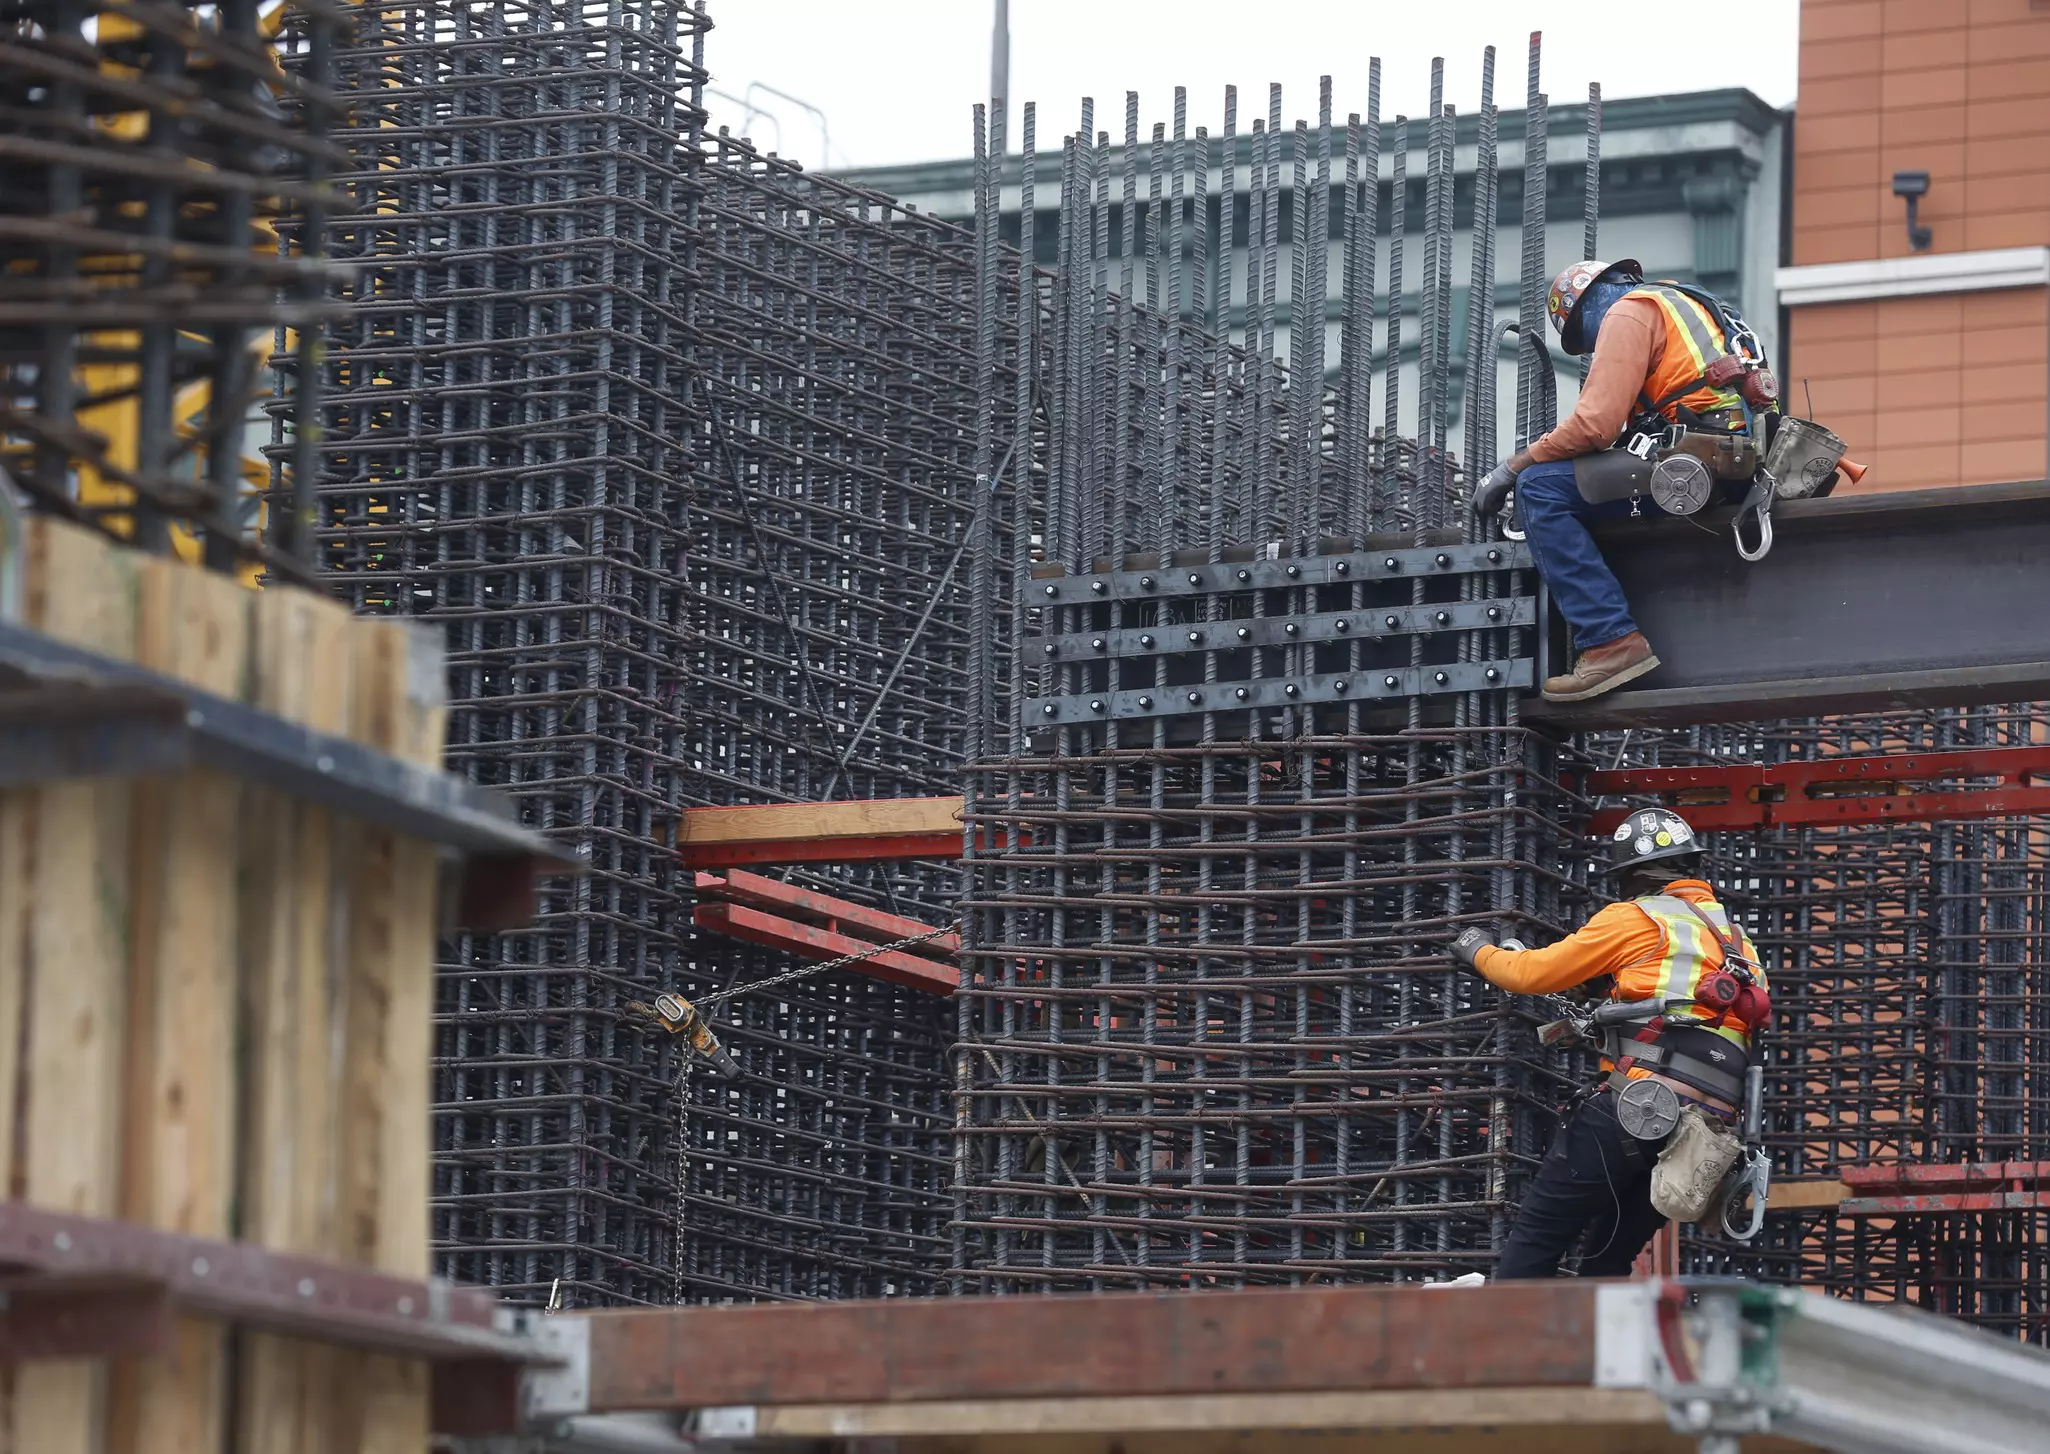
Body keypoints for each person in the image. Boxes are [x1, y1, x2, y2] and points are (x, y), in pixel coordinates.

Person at [1446, 808, 1769, 1279]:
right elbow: (1689, 1010)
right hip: (1701, 1140)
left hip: (1636, 1110)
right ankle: (1600, 1351)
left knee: (1534, 1246)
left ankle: (1509, 1346)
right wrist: (1602, 992)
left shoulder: (1636, 917)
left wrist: (1477, 948)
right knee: (1607, 1266)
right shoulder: (1739, 945)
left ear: (1635, 875)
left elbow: (1527, 973)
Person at [1471, 260, 1764, 703]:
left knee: (1540, 488)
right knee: (1580, 481)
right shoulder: (1684, 302)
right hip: (1726, 455)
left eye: (1583, 332)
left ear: (1590, 299)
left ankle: (1610, 641)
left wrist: (1511, 467)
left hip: (1697, 461)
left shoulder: (1627, 312)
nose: (1591, 345)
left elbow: (1594, 426)